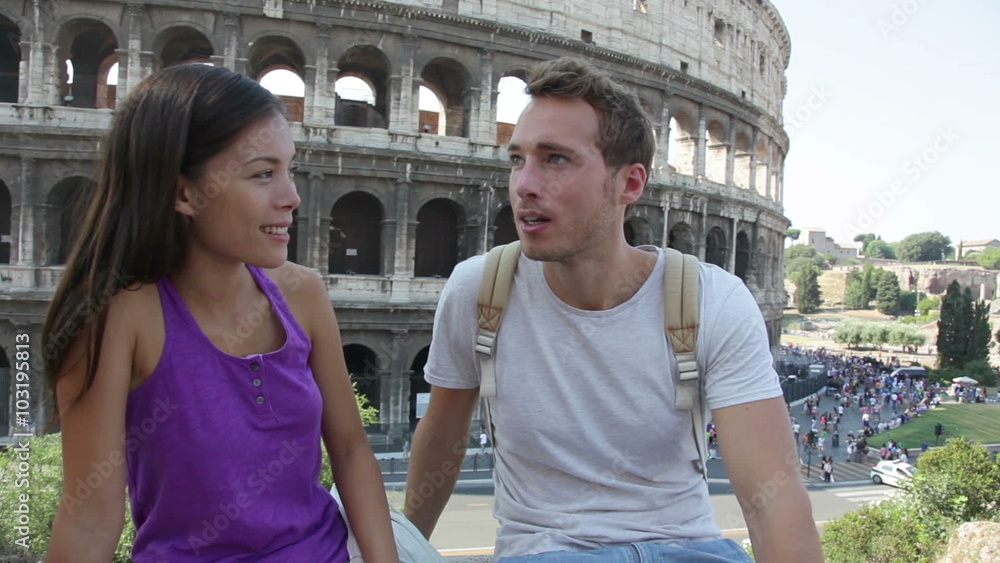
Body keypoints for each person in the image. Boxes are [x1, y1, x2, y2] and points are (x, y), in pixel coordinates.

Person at [404, 57, 822, 561]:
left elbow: (772, 500)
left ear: (629, 184)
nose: (524, 185)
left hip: (690, 550)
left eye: (555, 159)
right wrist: (402, 546)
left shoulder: (714, 301)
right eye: (518, 159)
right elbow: (441, 443)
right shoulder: (479, 290)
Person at [42, 64, 396, 561]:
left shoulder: (303, 293)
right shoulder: (116, 319)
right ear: (184, 192)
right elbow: (88, 520)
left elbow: (352, 449)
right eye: (263, 174)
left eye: (288, 169)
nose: (291, 197)